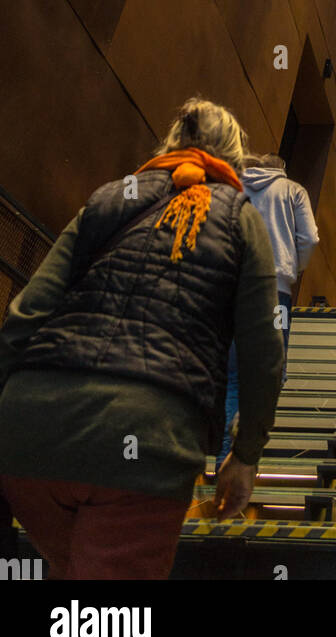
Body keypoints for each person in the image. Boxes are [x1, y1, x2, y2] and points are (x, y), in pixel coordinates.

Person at [0, 98, 285, 580]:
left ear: (172, 141)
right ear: (235, 157)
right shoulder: (240, 218)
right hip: (146, 445)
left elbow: (26, 313)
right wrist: (246, 455)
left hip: (30, 429)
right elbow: (263, 354)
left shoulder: (111, 197)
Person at [216, 153, 319, 467]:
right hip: (276, 291)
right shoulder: (293, 190)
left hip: (235, 288)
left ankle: (223, 458)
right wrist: (292, 266)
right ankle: (246, 451)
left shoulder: (235, 187)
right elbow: (310, 238)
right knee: (274, 370)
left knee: (233, 372)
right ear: (281, 169)